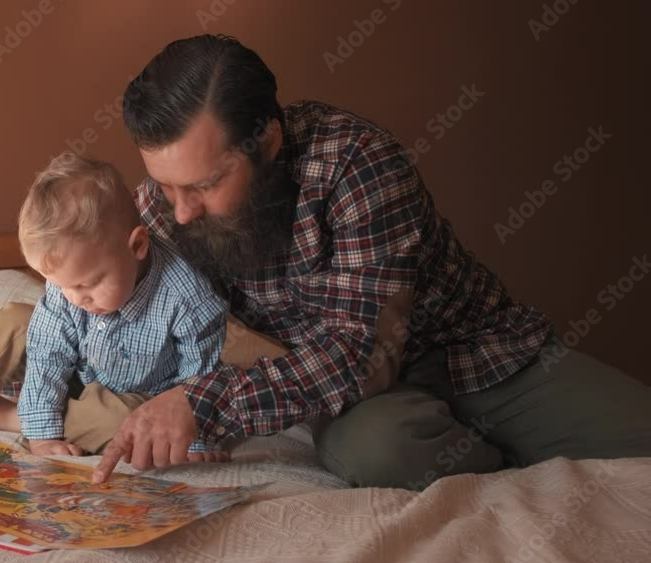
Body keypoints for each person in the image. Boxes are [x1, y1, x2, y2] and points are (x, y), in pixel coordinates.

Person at [88, 34, 651, 486]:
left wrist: (204, 401)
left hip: (479, 356)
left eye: (207, 184)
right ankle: (499, 472)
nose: (181, 213)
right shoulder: (163, 213)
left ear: (267, 143)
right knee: (377, 452)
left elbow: (362, 354)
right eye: (165, 185)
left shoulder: (357, 161)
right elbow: (110, 317)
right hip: (375, 404)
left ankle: (498, 442)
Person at [0, 152, 235, 460]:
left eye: (88, 284)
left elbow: (198, 385)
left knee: (128, 422)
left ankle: (6, 415)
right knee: (16, 320)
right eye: (64, 286)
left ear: (137, 245)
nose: (77, 298)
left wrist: (192, 441)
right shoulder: (68, 291)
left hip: (140, 396)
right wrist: (43, 437)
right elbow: (48, 354)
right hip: (74, 366)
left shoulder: (189, 300)